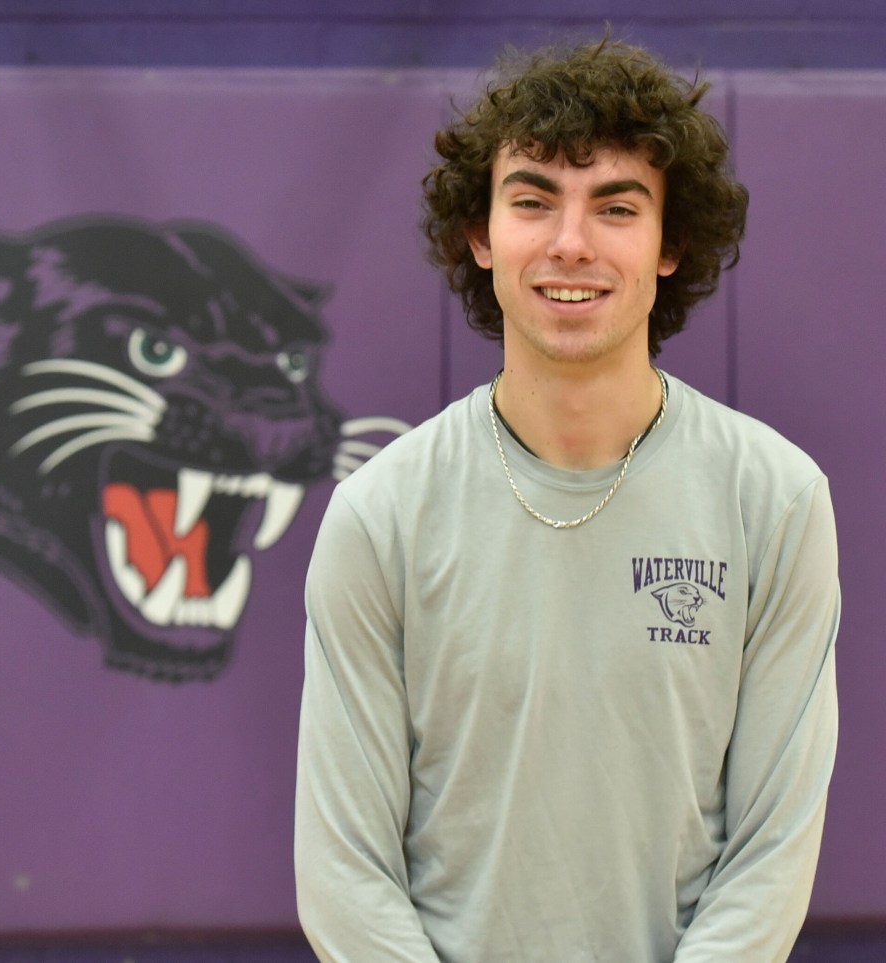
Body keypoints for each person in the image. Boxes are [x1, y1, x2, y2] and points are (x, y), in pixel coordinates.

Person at [294, 36, 839, 963]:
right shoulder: (379, 515)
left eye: (616, 206)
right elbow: (344, 872)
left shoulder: (776, 501)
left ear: (670, 245)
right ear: (481, 233)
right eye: (533, 200)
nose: (570, 242)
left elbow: (770, 854)